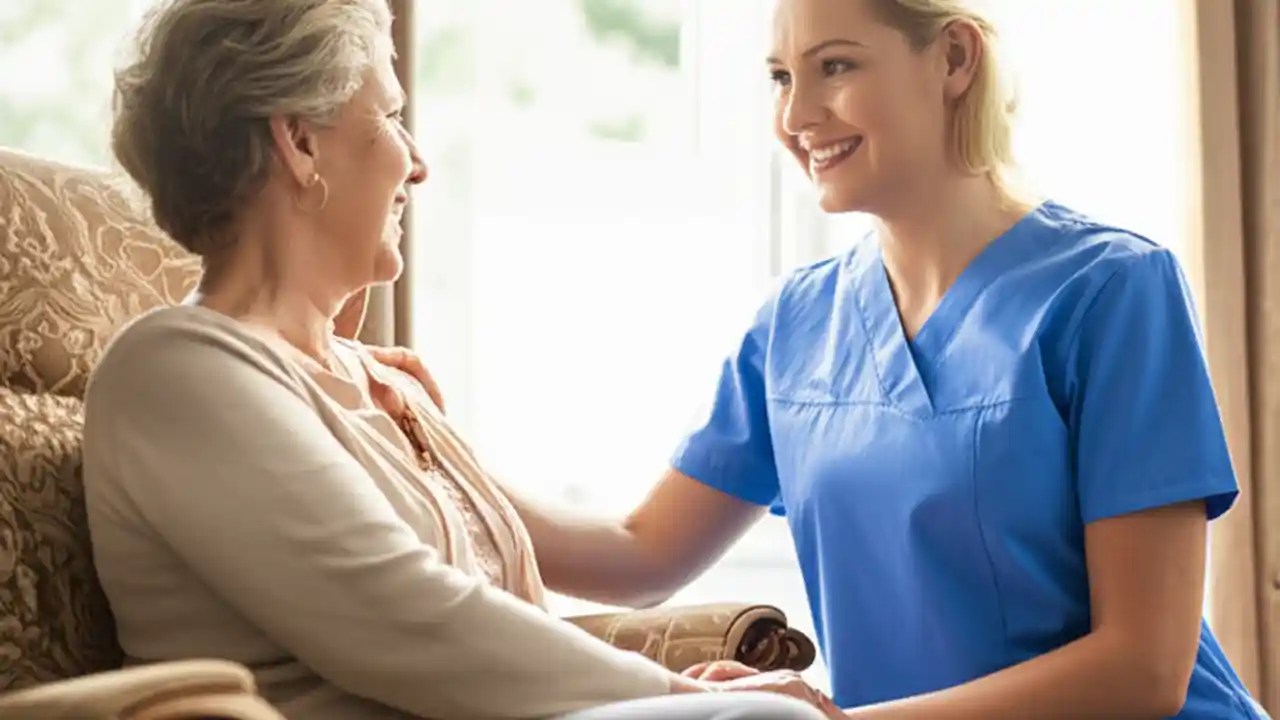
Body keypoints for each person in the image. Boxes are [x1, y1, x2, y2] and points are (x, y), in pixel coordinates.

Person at [405, 0, 1269, 717]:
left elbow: (1142, 669)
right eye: (782, 78)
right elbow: (636, 556)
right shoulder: (796, 325)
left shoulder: (1111, 290)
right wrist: (420, 446)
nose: (795, 116)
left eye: (837, 68)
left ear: (955, 59)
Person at [81, 1, 833, 719]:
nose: (417, 166)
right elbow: (403, 618)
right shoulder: (179, 371)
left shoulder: (375, 386)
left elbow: (564, 583)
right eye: (391, 120)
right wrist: (685, 701)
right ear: (299, 143)